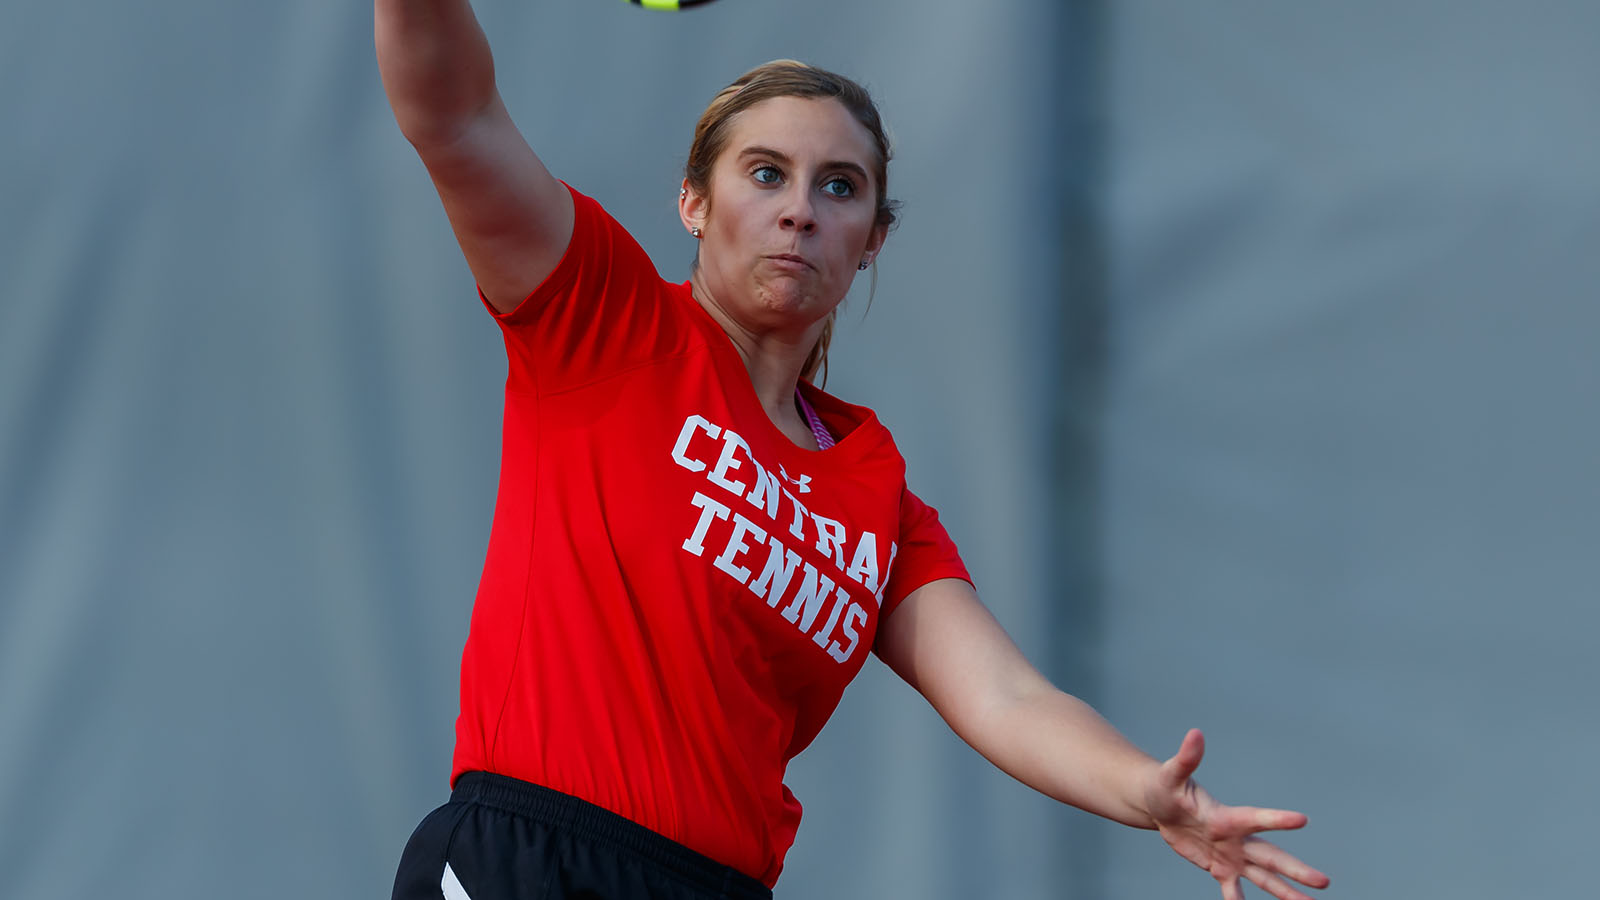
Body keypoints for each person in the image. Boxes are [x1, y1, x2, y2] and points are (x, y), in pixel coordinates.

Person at [377, 4, 1331, 899]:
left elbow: (1002, 696)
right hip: (531, 857)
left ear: (871, 240)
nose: (801, 210)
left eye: (840, 187)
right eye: (764, 173)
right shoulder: (606, 320)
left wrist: (1141, 790)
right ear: (692, 203)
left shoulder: (870, 487)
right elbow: (451, 115)